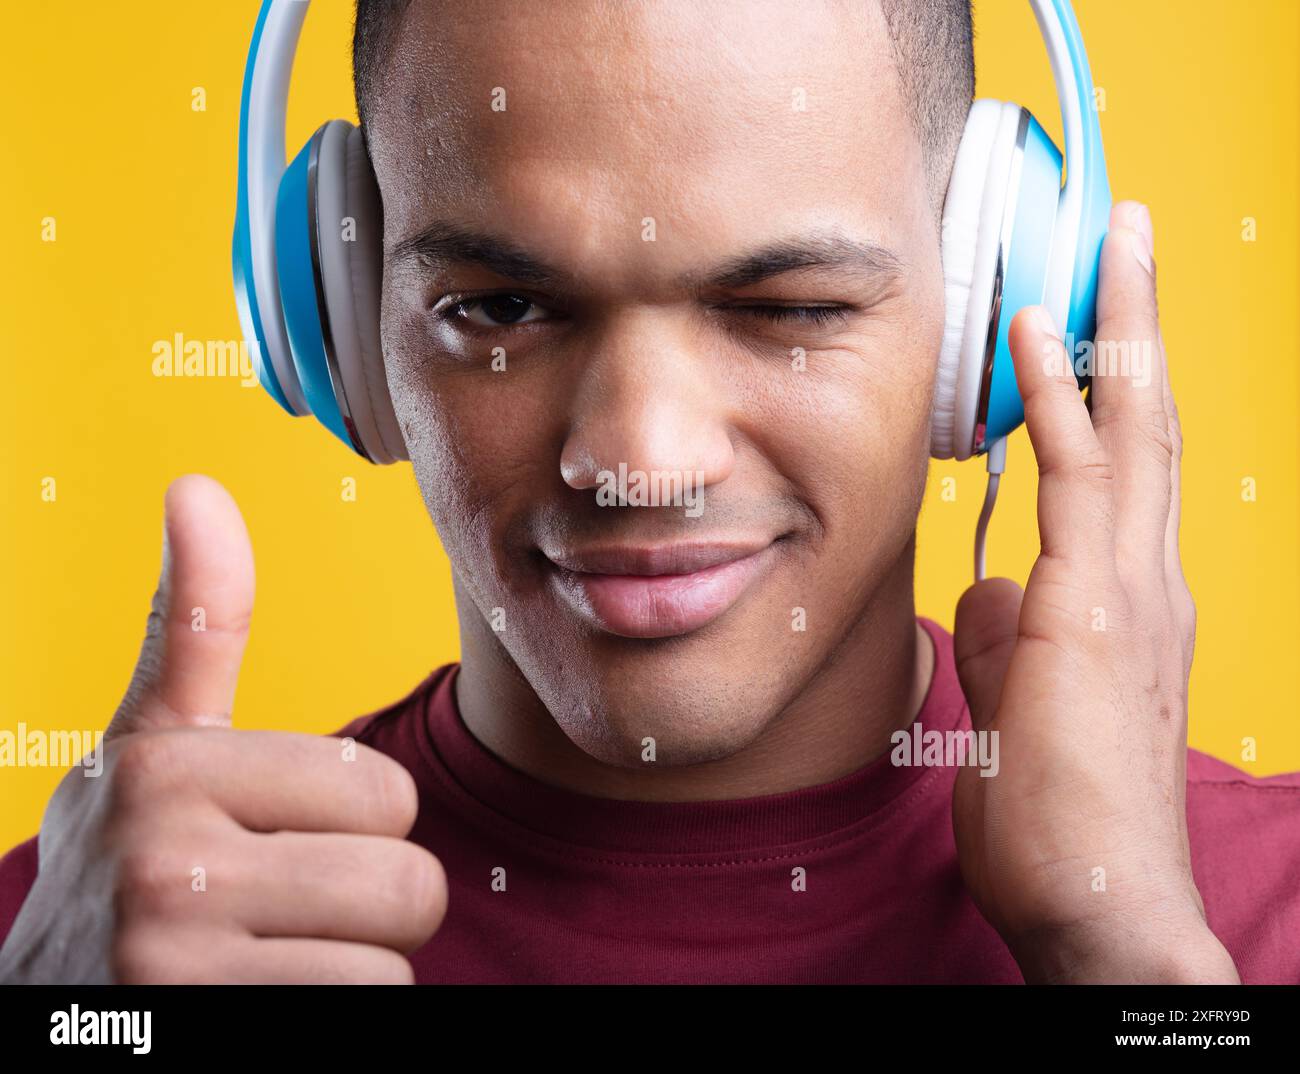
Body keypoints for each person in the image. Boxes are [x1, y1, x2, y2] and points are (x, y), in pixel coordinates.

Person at [2, 0, 1297, 985]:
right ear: (331, 326)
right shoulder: (87, 943)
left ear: (1006, 294)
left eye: (789, 308)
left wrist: (1136, 966)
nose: (640, 455)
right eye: (499, 308)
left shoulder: (1259, 912)